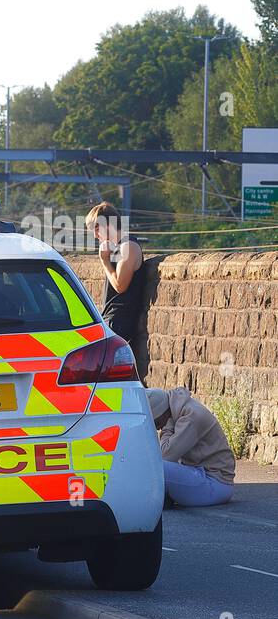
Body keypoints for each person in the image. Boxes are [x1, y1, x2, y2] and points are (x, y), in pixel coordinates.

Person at [147, 387, 235, 507]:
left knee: (156, 467)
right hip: (204, 476)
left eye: (156, 423)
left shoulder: (191, 417)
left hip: (215, 483)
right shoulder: (182, 409)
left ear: (163, 412)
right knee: (151, 465)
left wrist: (167, 426)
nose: (158, 428)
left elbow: (165, 455)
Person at [86, 201, 147, 359]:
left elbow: (120, 285)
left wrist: (104, 261)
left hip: (121, 323)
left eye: (96, 228)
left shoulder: (128, 247)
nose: (94, 235)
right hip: (111, 321)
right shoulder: (116, 248)